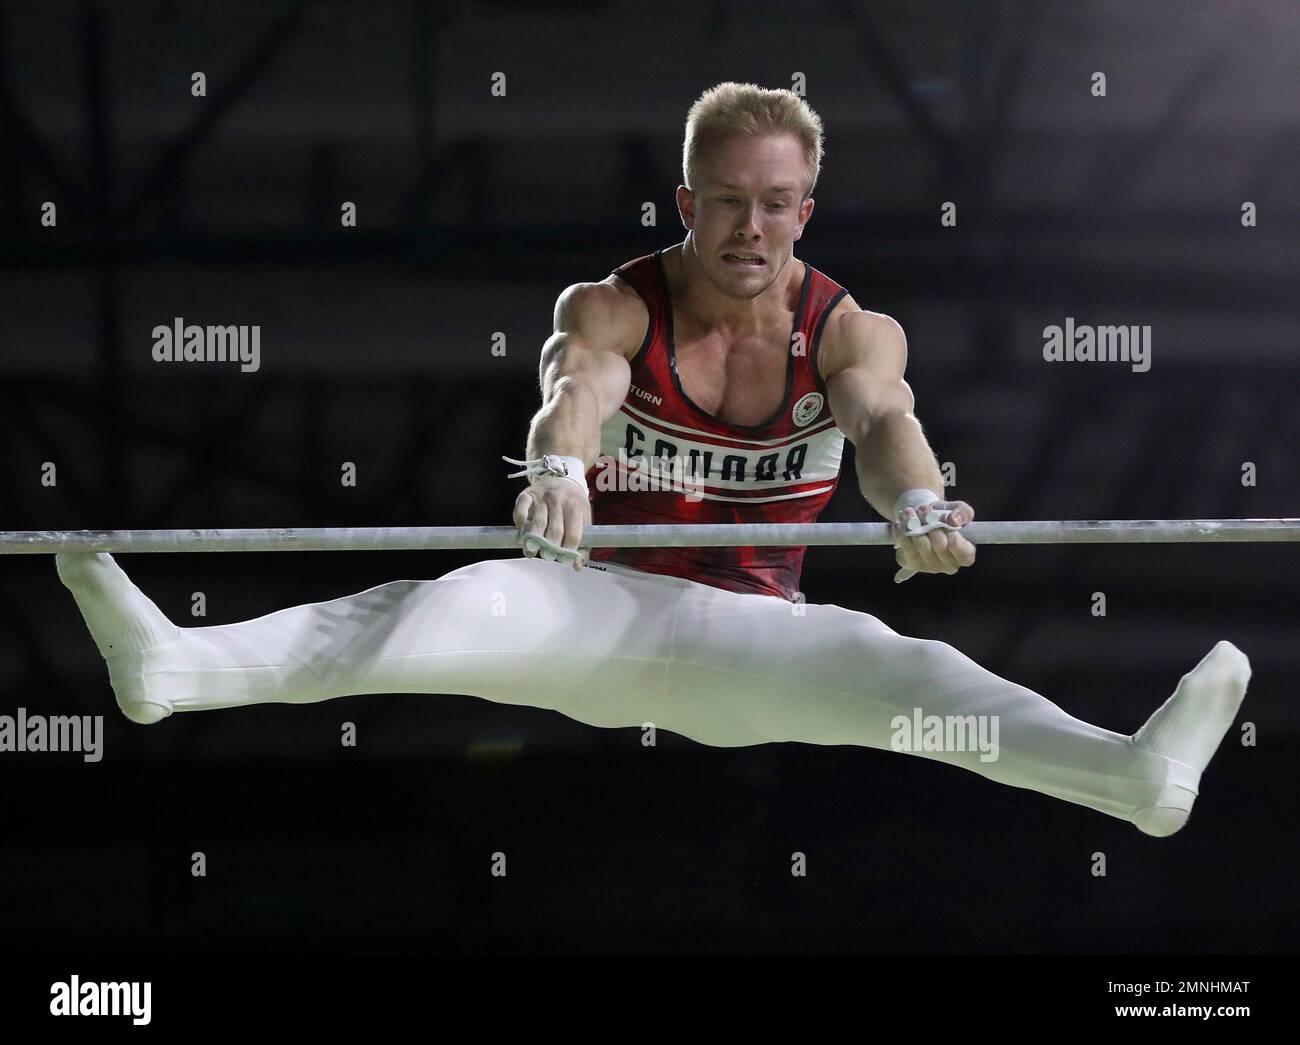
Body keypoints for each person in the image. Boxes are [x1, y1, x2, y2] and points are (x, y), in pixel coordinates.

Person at [57, 82, 1250, 838]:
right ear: (686, 200)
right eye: (727, 202)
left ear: (806, 210)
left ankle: (1129, 780)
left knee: (922, 681)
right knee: (443, 608)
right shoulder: (615, 307)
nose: (749, 229)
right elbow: (573, 393)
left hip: (757, 643)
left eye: (775, 205)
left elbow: (882, 421)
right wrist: (561, 475)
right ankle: (181, 668)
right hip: (594, 619)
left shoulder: (845, 331)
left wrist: (920, 498)